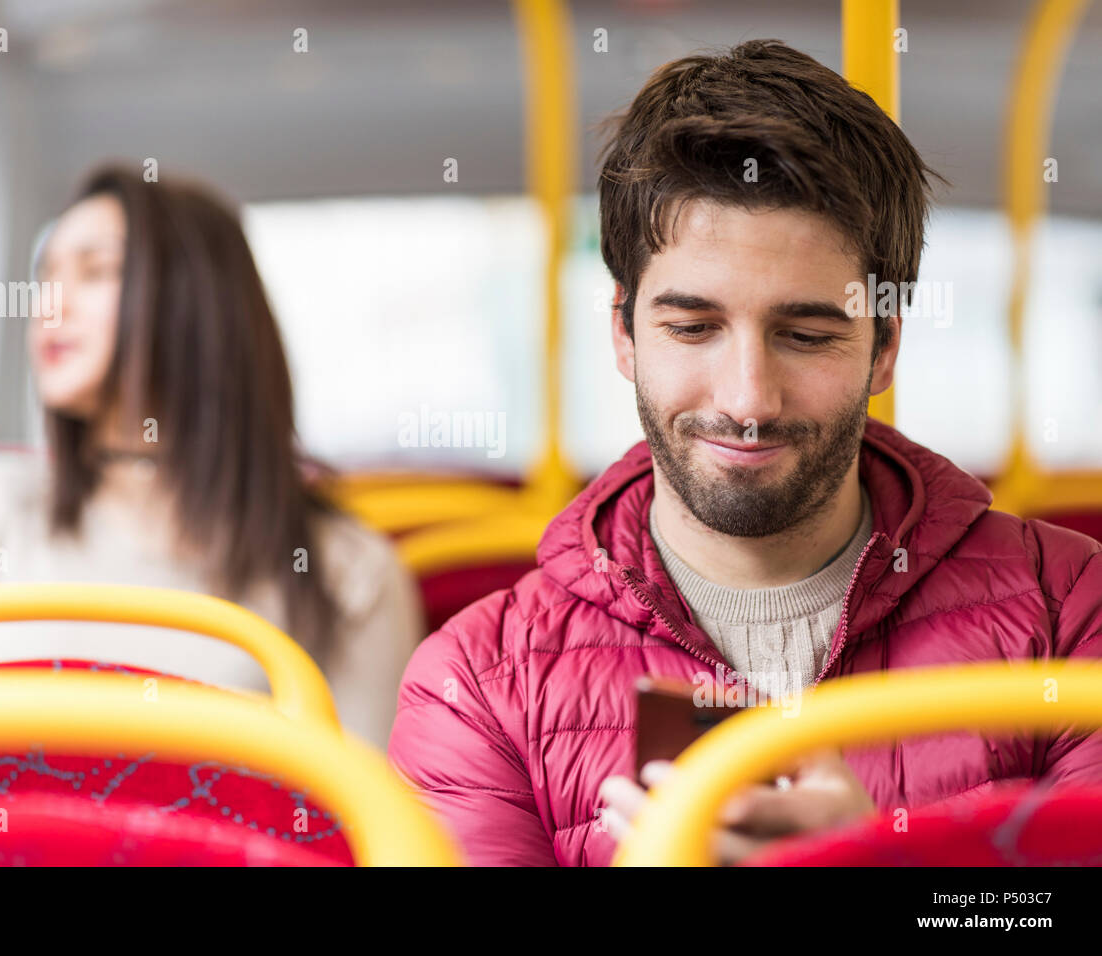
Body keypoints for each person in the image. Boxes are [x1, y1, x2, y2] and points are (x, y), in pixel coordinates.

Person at [387, 40, 1102, 865]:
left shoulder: (1071, 609)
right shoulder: (476, 683)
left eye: (804, 336)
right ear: (623, 334)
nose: (748, 400)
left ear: (883, 351)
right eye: (692, 329)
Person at [0, 165, 425, 750]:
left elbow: (355, 829)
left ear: (199, 306)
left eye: (95, 273)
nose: (48, 305)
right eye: (46, 276)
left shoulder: (348, 574)